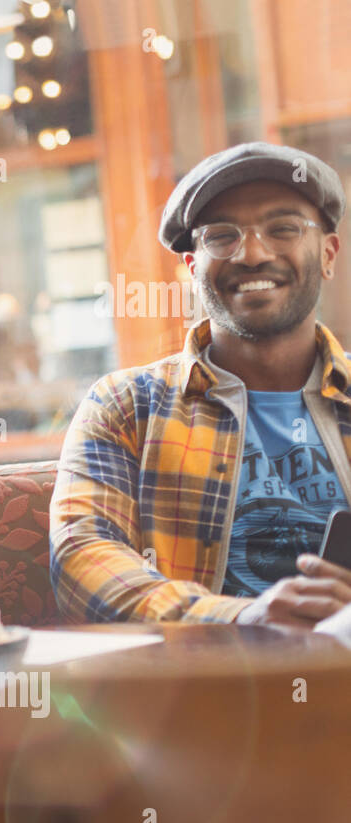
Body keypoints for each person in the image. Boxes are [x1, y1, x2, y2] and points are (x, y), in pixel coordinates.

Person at [51, 142, 351, 628]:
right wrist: (238, 618)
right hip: (201, 686)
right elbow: (81, 558)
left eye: (283, 228)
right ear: (193, 270)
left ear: (328, 253)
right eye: (221, 236)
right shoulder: (125, 406)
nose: (252, 254)